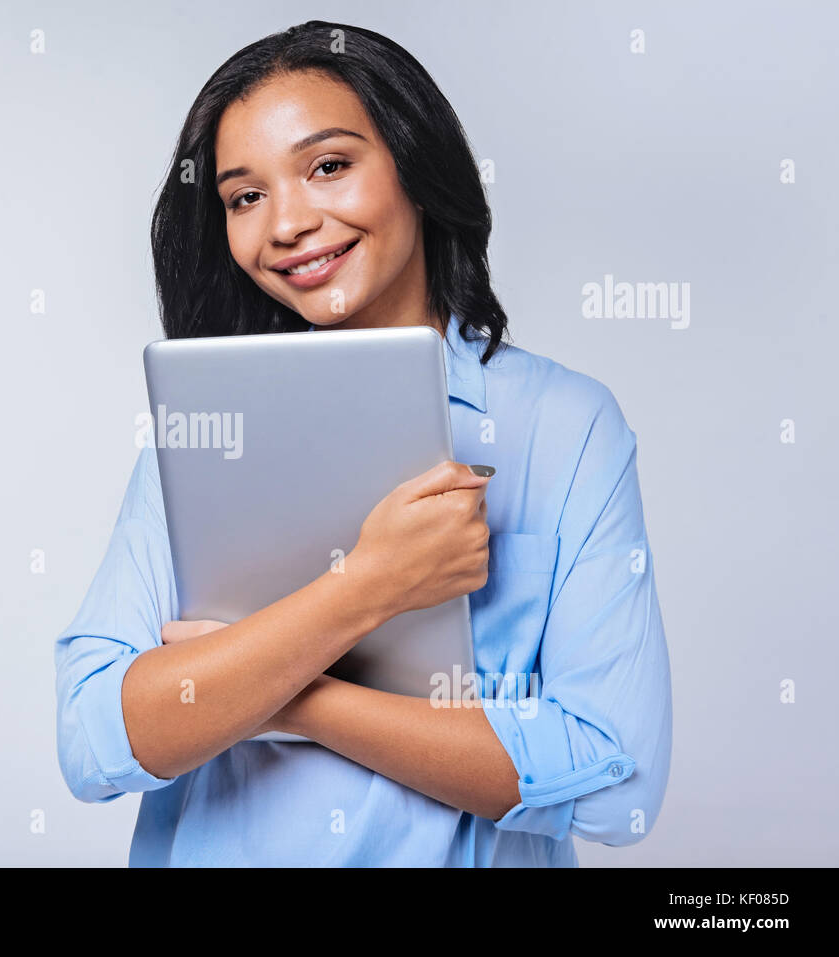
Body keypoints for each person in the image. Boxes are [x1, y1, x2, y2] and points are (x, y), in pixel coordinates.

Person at [53, 20, 672, 866]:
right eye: (245, 196)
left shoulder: (567, 427)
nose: (288, 224)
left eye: (329, 166)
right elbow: (95, 741)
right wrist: (371, 586)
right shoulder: (203, 427)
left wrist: (284, 697)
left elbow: (616, 785)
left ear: (415, 166)